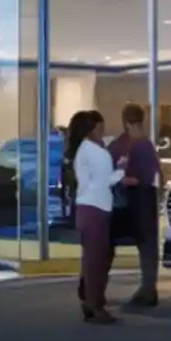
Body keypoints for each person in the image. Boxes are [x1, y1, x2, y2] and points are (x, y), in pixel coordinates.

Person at [68, 110, 131, 324]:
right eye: (101, 127)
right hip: (96, 209)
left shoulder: (83, 150)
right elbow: (105, 181)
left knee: (91, 260)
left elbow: (93, 180)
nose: (103, 132)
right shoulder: (96, 152)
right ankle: (95, 305)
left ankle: (90, 302)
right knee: (98, 262)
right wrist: (122, 170)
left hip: (86, 208)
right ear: (94, 128)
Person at [107, 103, 163, 307]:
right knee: (147, 245)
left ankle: (96, 288)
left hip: (122, 200)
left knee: (110, 244)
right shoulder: (144, 145)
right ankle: (148, 288)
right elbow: (152, 175)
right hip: (142, 199)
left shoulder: (118, 144)